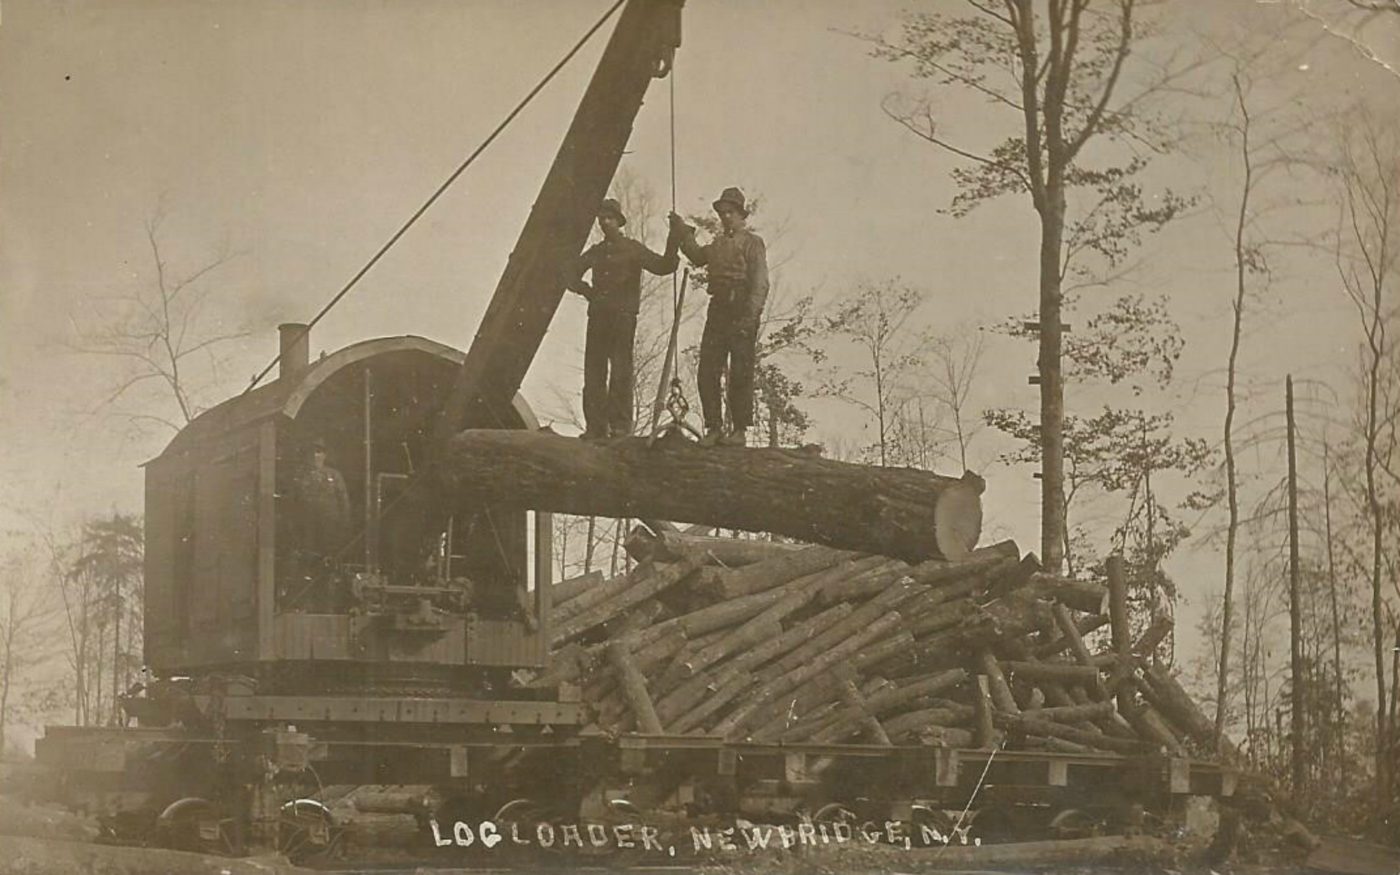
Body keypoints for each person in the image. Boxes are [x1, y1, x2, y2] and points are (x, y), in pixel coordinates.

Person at [568, 197, 680, 439]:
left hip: (623, 317)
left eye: (609, 218)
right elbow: (569, 275)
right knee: (594, 372)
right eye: (601, 219)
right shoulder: (596, 252)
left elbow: (663, 266)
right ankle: (596, 427)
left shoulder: (633, 249)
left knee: (621, 370)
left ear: (619, 221)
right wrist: (587, 291)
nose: (604, 222)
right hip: (598, 316)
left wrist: (674, 238)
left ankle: (620, 427)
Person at [668, 187, 769, 447]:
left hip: (741, 307)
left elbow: (760, 283)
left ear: (740, 215)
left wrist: (750, 316)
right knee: (708, 369)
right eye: (722, 213)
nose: (726, 217)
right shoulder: (718, 244)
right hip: (719, 308)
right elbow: (698, 256)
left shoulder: (752, 243)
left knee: (740, 370)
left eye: (730, 213)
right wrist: (682, 232)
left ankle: (739, 430)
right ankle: (714, 428)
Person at [293, 437, 352, 562]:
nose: (315, 456)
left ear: (325, 455)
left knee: (330, 558)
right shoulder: (301, 475)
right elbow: (295, 501)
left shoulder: (334, 475)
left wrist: (344, 524)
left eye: (319, 452)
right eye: (312, 452)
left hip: (330, 526)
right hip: (308, 526)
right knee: (309, 557)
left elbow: (344, 501)